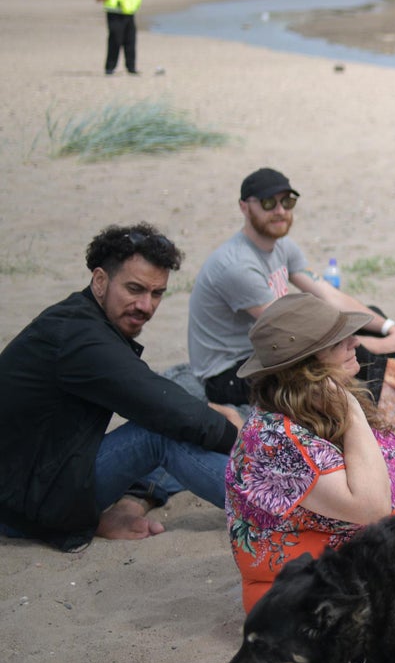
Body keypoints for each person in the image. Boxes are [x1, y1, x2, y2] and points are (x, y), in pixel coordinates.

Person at [0, 224, 239, 549]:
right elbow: (163, 406)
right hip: (26, 504)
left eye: (157, 293)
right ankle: (276, 506)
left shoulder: (81, 320)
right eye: (134, 289)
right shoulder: (80, 337)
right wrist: (238, 438)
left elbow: (155, 397)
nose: (146, 305)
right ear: (100, 281)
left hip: (36, 479)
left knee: (183, 411)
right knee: (161, 433)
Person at [226, 294, 395, 611]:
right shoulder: (272, 438)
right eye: (338, 341)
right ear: (306, 366)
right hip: (305, 595)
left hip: (353, 562)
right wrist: (351, 408)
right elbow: (372, 508)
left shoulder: (320, 406)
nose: (355, 341)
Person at [189, 167, 395, 405]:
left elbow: (329, 294)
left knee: (366, 319)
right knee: (340, 348)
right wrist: (381, 345)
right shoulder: (237, 266)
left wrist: (389, 327)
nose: (280, 211)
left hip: (266, 351)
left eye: (287, 201)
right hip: (230, 374)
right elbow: (290, 333)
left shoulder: (282, 245)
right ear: (244, 207)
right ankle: (387, 402)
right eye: (268, 203)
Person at [94, 0, 142, 76]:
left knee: (130, 41)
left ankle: (131, 68)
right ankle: (110, 68)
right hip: (115, 15)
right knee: (115, 41)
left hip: (128, 14)